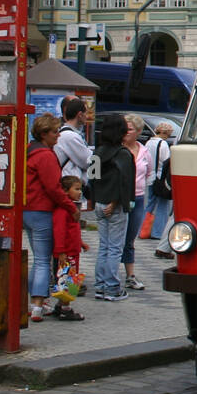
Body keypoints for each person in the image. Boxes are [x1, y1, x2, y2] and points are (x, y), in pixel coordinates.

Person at [23, 113, 81, 322]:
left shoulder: (30, 151)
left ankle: (33, 302)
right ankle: (38, 305)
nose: (58, 136)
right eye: (55, 132)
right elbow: (53, 188)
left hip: (27, 209)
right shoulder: (45, 156)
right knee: (42, 260)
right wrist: (70, 207)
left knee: (38, 258)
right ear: (44, 133)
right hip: (41, 210)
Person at [90, 114, 135, 301]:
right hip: (114, 205)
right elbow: (125, 182)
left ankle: (99, 286)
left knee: (103, 247)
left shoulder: (97, 152)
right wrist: (116, 202)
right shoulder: (123, 154)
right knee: (115, 248)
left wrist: (97, 201)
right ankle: (112, 288)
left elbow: (91, 178)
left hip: (99, 203)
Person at [121, 114, 149, 290]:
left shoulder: (145, 151)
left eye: (130, 129)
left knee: (130, 238)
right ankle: (108, 277)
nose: (126, 132)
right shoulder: (118, 149)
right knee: (116, 239)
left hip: (138, 197)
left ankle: (130, 275)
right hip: (120, 197)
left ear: (138, 132)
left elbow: (150, 172)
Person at [54, 97, 92, 210]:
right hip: (70, 189)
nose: (87, 116)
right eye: (86, 113)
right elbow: (89, 162)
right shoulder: (70, 136)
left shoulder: (67, 133)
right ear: (79, 114)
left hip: (70, 188)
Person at [143, 122, 175, 258]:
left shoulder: (148, 143)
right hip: (160, 179)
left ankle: (143, 230)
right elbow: (167, 162)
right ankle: (157, 232)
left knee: (149, 204)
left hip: (150, 177)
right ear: (165, 132)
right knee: (163, 206)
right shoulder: (163, 145)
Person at [54, 175, 88, 277]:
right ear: (65, 191)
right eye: (76, 189)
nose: (80, 192)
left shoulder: (72, 209)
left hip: (73, 250)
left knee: (72, 275)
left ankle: (71, 290)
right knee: (64, 277)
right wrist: (60, 251)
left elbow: (73, 230)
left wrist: (80, 243)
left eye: (80, 189)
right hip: (66, 252)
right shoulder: (62, 211)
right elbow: (59, 231)